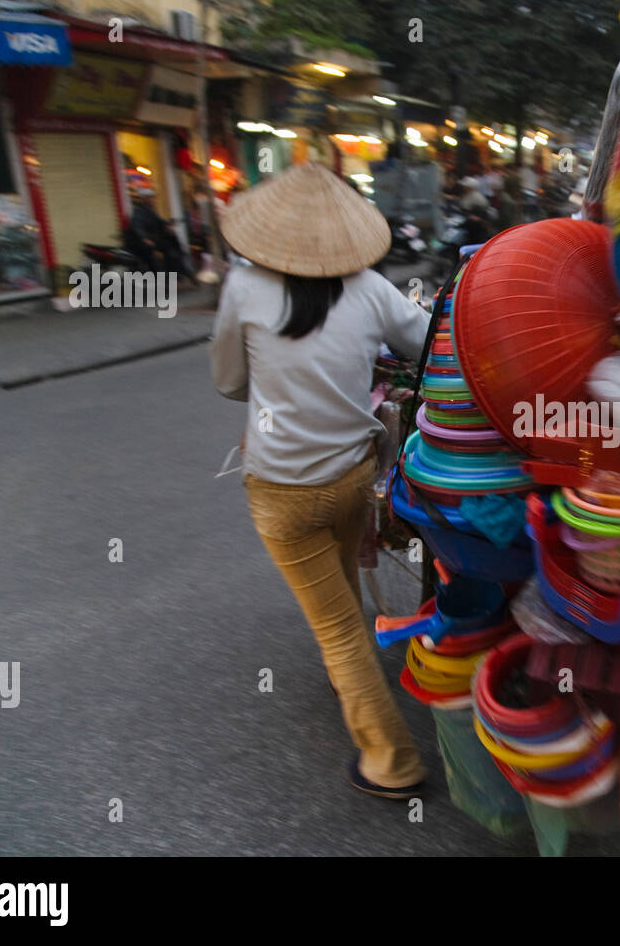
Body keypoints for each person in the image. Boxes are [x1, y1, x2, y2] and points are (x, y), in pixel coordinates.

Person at [209, 162, 430, 800]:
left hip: (281, 491)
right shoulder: (367, 288)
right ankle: (351, 671)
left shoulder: (243, 287)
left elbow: (227, 383)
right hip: (351, 473)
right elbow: (423, 342)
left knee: (334, 625)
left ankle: (391, 761)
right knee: (340, 585)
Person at [128, 187, 195, 281]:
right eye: (150, 198)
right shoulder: (139, 212)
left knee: (171, 243)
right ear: (144, 198)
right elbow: (137, 226)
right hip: (144, 242)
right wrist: (144, 239)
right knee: (164, 250)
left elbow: (159, 220)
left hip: (152, 238)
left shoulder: (149, 210)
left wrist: (168, 225)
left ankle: (176, 269)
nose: (152, 200)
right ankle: (166, 275)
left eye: (152, 197)